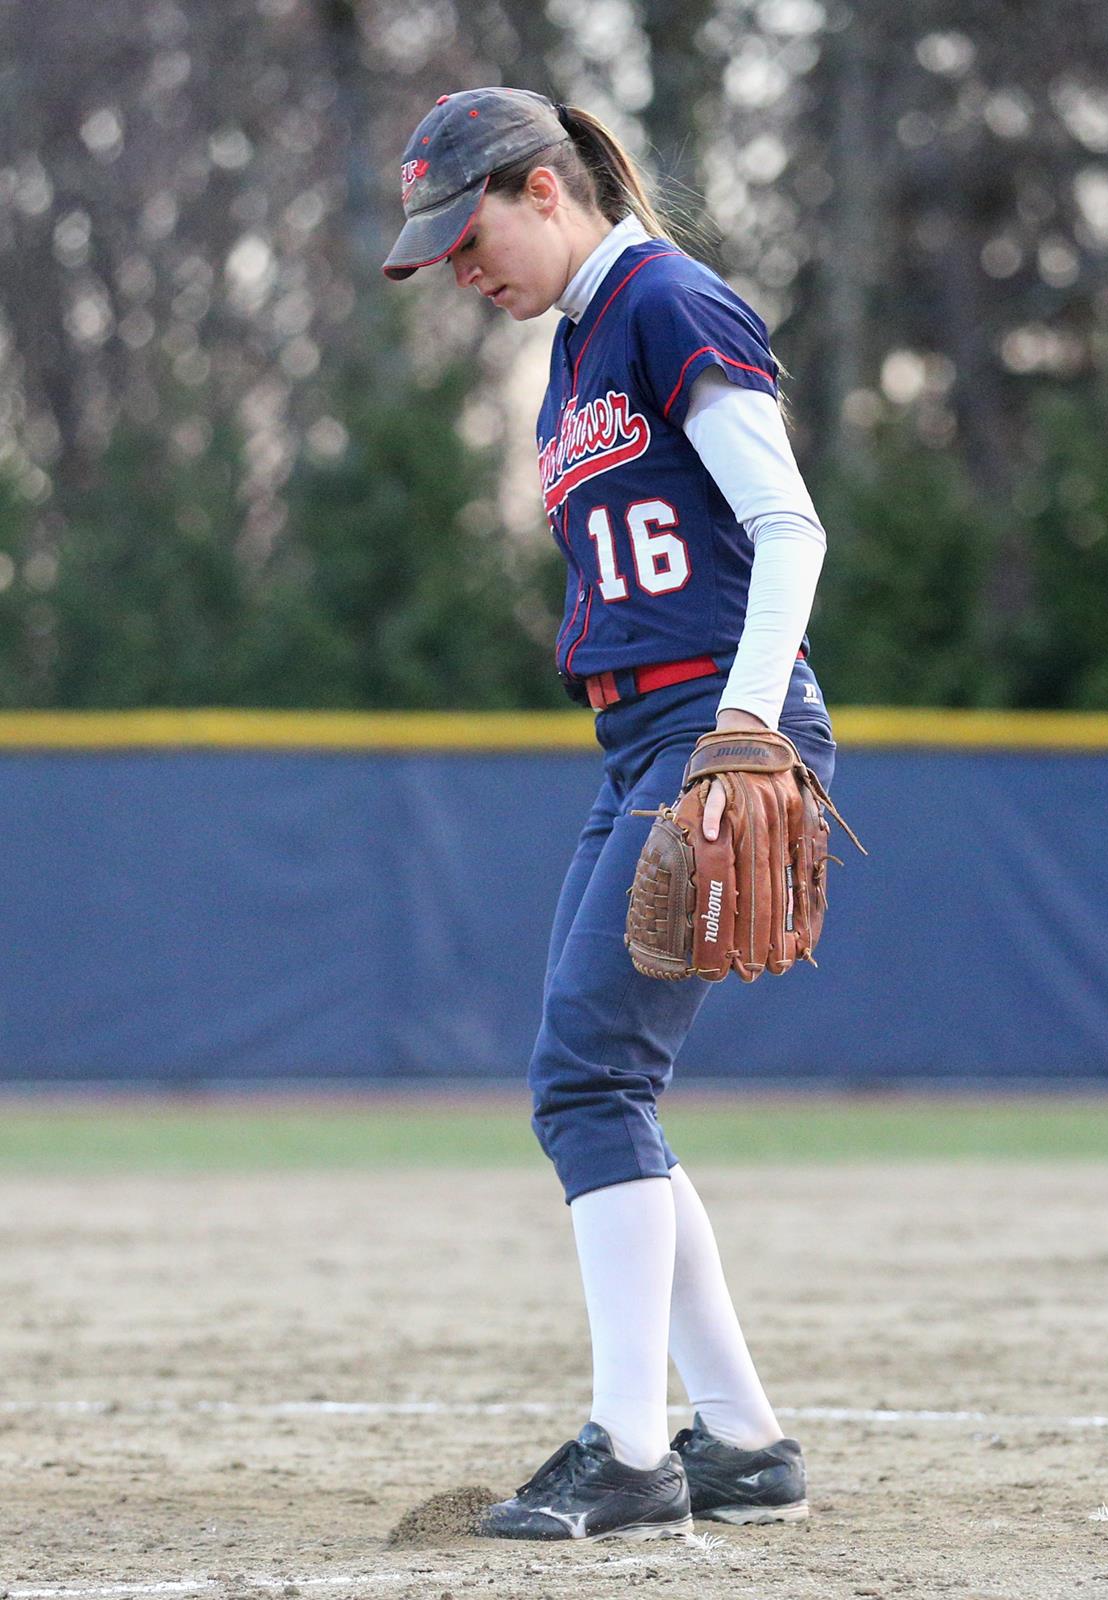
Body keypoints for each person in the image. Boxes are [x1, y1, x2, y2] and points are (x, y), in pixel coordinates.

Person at [384, 87, 834, 1543]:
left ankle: (631, 1451)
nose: (461, 269)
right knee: (600, 1089)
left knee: (586, 1083)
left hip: (715, 729)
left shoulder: (662, 297)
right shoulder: (580, 335)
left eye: (466, 237)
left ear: (538, 186)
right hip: (644, 733)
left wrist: (746, 725)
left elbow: (786, 525)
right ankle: (743, 1441)